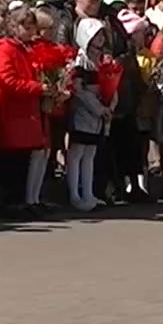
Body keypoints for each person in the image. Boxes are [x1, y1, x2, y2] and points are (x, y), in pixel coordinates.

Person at [0, 6, 53, 216]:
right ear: (14, 27)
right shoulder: (5, 49)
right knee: (12, 160)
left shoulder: (24, 49)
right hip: (12, 111)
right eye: (26, 27)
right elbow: (7, 80)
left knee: (24, 158)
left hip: (27, 111)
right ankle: (10, 203)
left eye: (32, 27)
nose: (31, 32)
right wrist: (37, 88)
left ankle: (25, 200)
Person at [68, 16, 117, 211]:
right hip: (83, 113)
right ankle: (74, 194)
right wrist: (98, 108)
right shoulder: (81, 61)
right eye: (96, 35)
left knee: (90, 154)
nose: (100, 39)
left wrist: (111, 105)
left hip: (98, 116)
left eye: (102, 35)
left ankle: (88, 193)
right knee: (77, 153)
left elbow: (112, 84)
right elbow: (79, 90)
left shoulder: (102, 60)